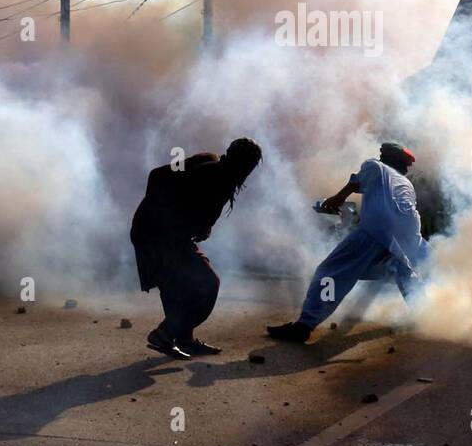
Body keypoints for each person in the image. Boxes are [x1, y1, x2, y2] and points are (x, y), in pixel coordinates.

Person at [268, 142, 428, 344]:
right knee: (402, 271)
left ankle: (304, 325)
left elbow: (354, 183)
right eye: (406, 164)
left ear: (385, 157)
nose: (407, 169)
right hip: (408, 234)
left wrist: (336, 199)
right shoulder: (405, 182)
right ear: (400, 163)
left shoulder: (374, 166)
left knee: (330, 272)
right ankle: (426, 316)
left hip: (378, 229)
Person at [130, 137, 263, 359]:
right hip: (158, 235)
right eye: (247, 164)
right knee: (207, 284)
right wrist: (162, 216)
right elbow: (157, 175)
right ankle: (165, 333)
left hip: (166, 235)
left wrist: (201, 225)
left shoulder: (215, 166)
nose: (247, 171)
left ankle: (184, 339)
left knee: (176, 286)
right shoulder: (212, 173)